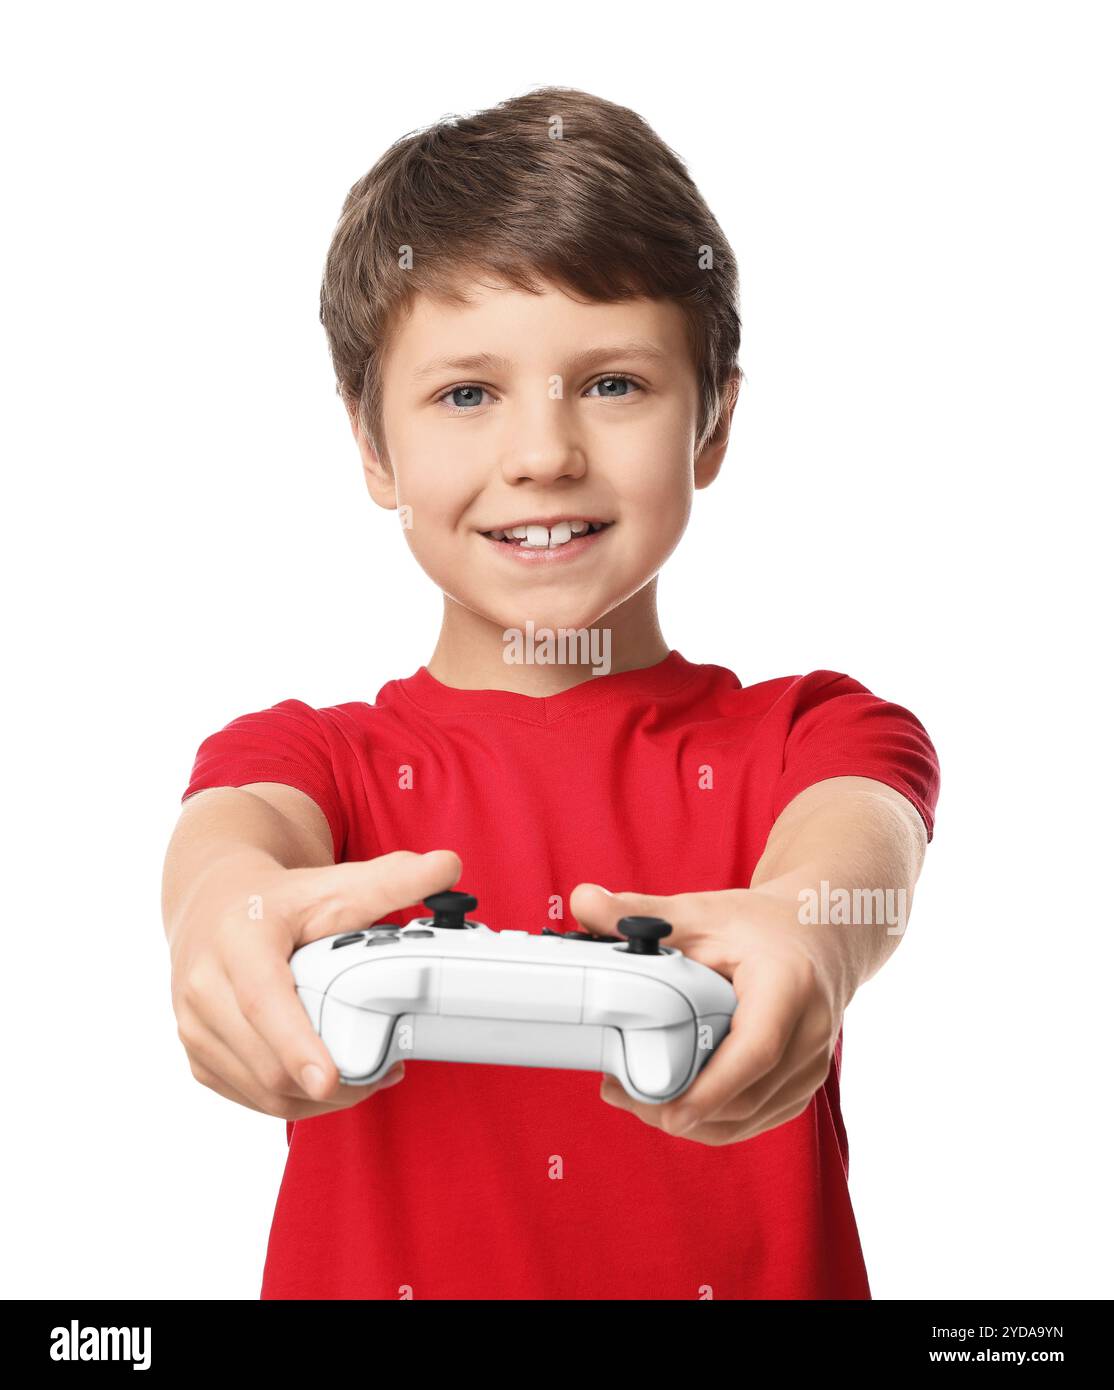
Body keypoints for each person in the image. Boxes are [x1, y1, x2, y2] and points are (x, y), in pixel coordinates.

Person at [161, 85, 940, 1300]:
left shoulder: (816, 732)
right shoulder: (308, 755)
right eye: (466, 394)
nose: (544, 454)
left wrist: (812, 932)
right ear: (373, 447)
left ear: (715, 422)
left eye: (615, 384)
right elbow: (230, 849)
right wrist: (223, 916)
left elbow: (860, 852)